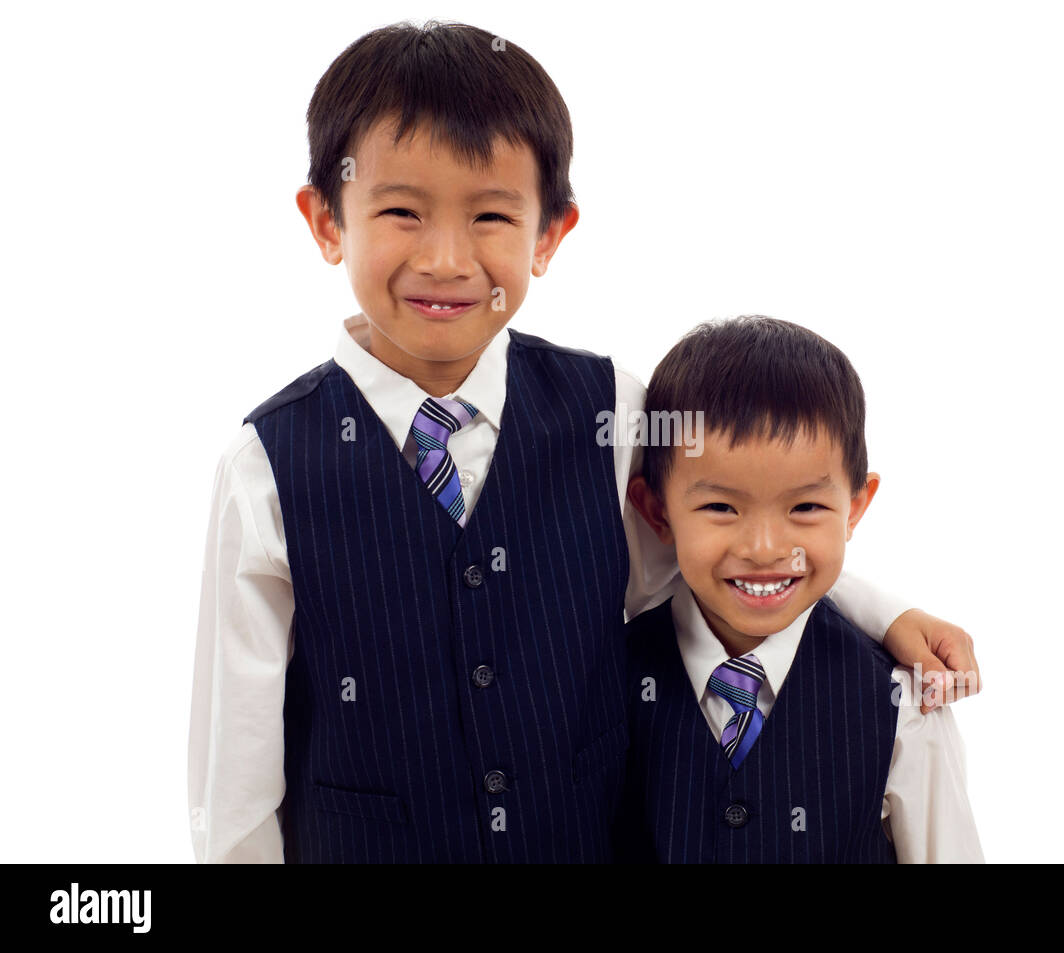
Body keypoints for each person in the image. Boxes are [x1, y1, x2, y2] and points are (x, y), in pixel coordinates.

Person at [188, 20, 981, 863]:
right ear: (326, 221)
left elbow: (726, 534)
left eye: (492, 214)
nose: (449, 258)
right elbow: (233, 773)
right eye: (402, 212)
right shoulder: (267, 467)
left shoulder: (613, 412)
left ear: (550, 233)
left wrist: (879, 611)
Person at [619, 316, 983, 862]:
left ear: (856, 507)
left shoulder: (902, 706)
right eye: (720, 507)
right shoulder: (602, 680)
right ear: (656, 511)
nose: (765, 548)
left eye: (806, 507)